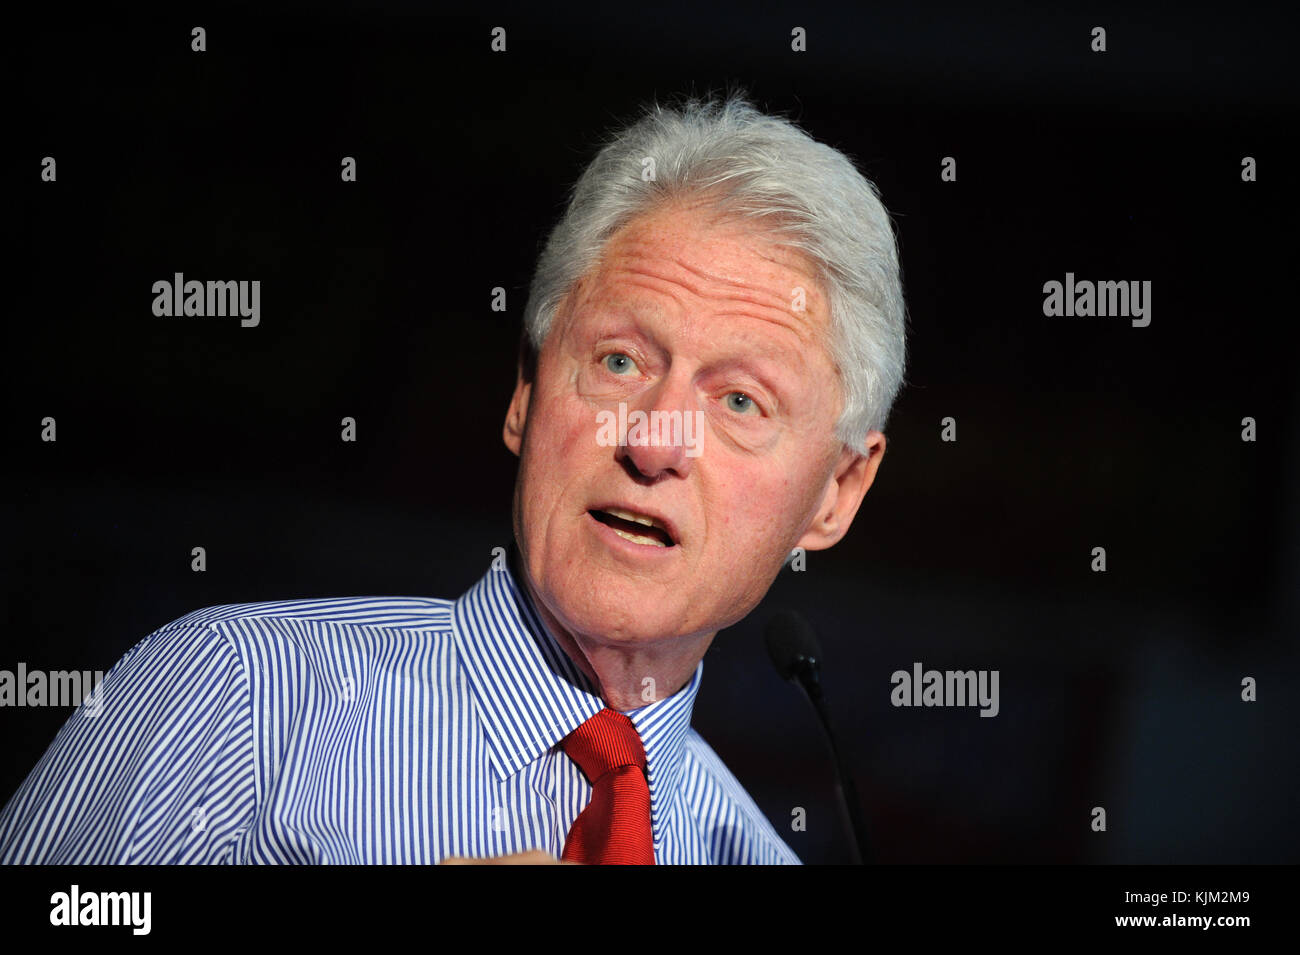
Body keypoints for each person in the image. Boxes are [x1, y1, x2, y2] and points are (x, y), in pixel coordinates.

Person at [0, 92, 906, 864]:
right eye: (621, 361)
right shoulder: (237, 696)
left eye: (741, 402)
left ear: (836, 493)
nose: (655, 442)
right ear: (527, 389)